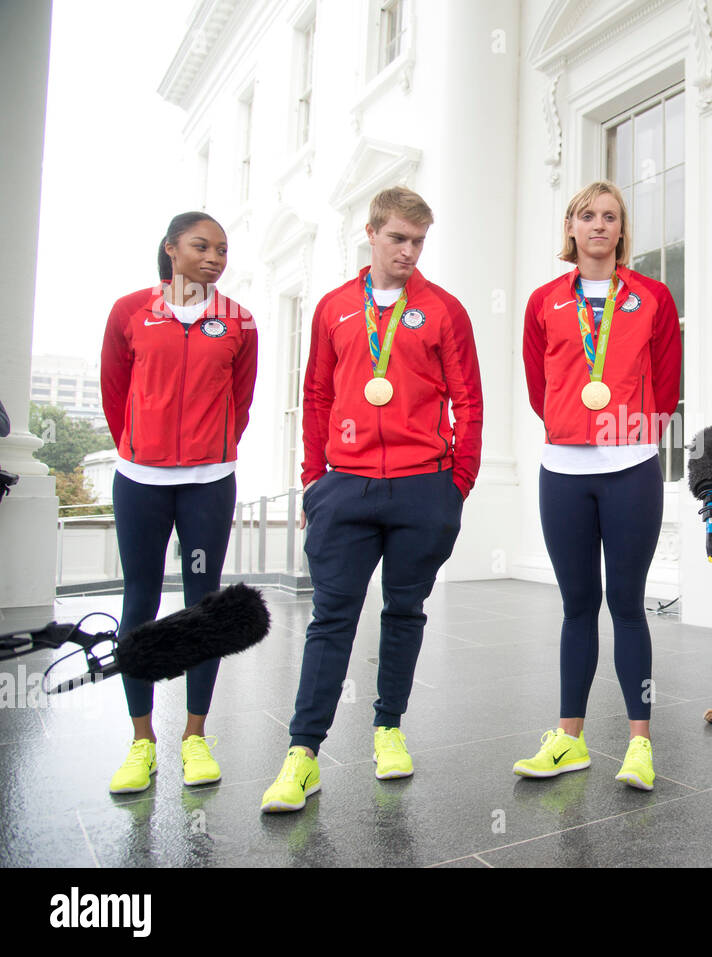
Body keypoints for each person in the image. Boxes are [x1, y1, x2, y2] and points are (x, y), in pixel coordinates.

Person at [260, 187, 483, 813]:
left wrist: (456, 484)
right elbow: (318, 397)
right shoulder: (333, 308)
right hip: (345, 487)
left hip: (423, 487)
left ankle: (388, 728)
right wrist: (313, 478)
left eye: (418, 241)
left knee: (404, 612)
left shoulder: (444, 311)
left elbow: (468, 401)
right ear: (371, 233)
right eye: (398, 239)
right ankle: (303, 755)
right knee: (331, 617)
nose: (408, 252)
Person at [515, 181, 681, 790]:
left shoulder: (652, 297)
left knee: (628, 606)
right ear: (571, 226)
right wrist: (570, 421)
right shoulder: (541, 301)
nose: (599, 226)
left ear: (621, 229)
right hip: (563, 471)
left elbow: (666, 382)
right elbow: (540, 385)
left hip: (631, 466)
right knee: (576, 608)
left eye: (611, 217)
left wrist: (629, 431)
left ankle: (639, 744)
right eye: (588, 215)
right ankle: (569, 740)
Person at [99, 211, 258, 794]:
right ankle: (142, 742)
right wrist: (141, 446)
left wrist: (208, 449)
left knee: (204, 602)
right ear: (171, 249)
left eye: (222, 248)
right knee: (138, 598)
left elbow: (240, 402)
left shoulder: (239, 321)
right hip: (139, 479)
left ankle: (195, 737)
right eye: (201, 245)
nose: (215, 256)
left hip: (209, 481)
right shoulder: (129, 313)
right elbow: (116, 390)